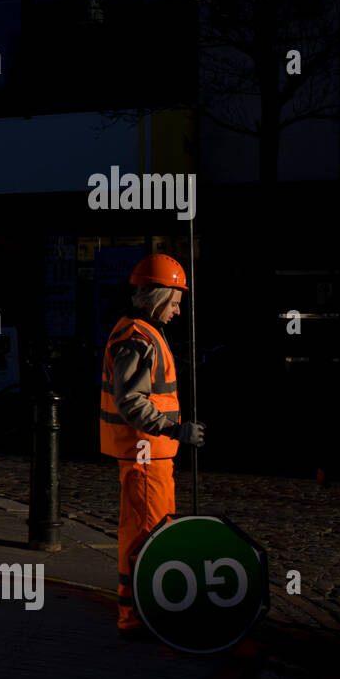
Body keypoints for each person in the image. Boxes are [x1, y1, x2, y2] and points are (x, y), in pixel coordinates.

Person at [99, 253, 205, 636]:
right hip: (146, 453)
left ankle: (139, 609)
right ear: (159, 296)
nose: (178, 311)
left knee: (145, 532)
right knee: (148, 535)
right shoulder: (138, 339)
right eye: (175, 302)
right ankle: (140, 614)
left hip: (151, 455)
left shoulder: (141, 334)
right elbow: (131, 402)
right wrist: (176, 430)